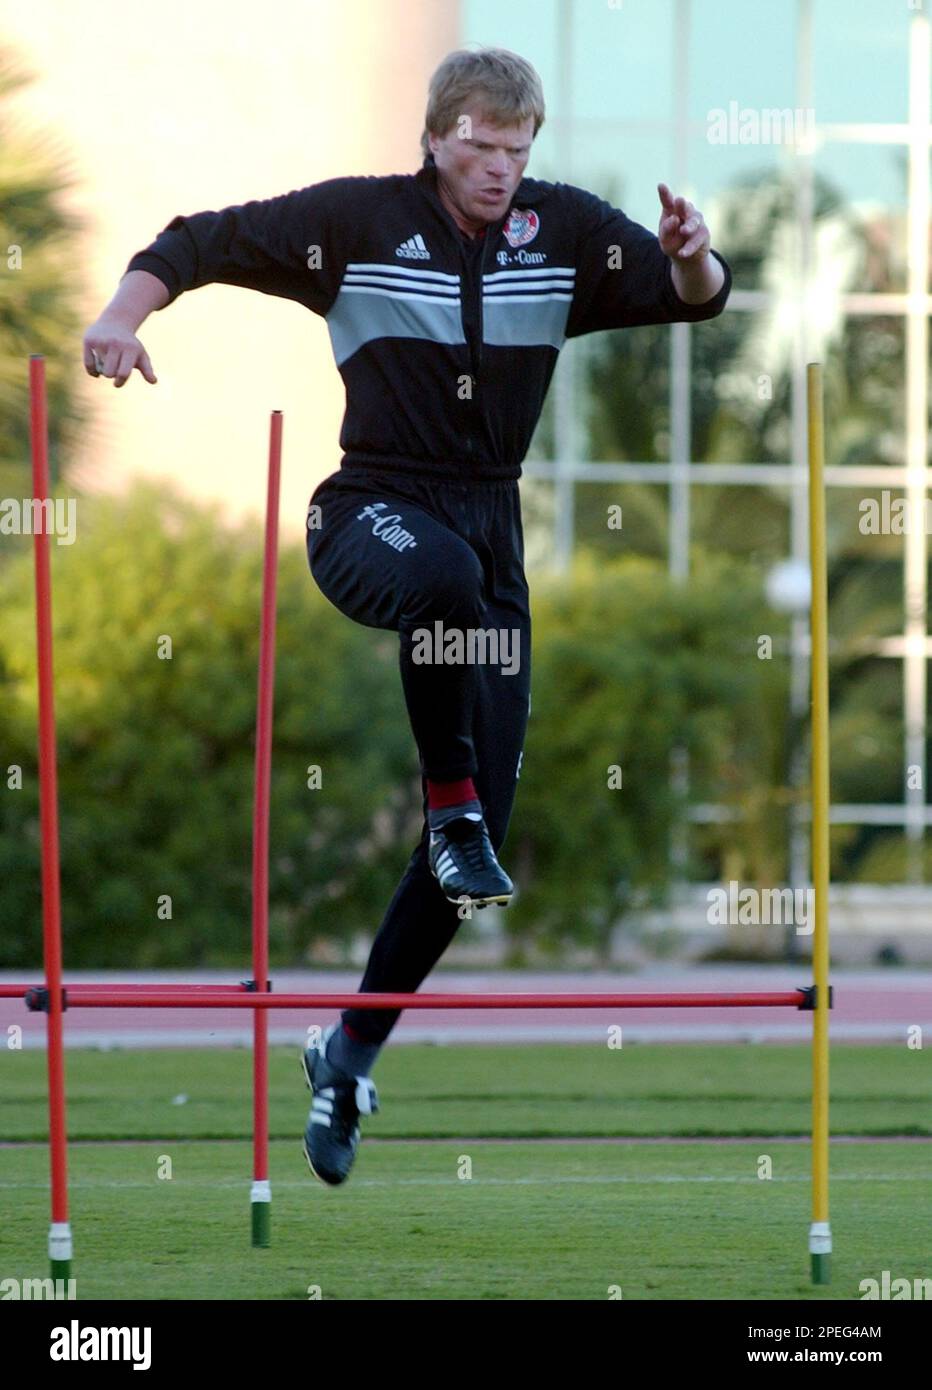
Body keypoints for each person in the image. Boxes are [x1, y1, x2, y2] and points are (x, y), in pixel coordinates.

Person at [82, 46, 732, 1187]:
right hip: (368, 512)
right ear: (435, 137)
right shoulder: (356, 222)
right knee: (441, 611)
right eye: (478, 148)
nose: (497, 170)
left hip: (491, 534)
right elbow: (193, 240)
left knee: (475, 842)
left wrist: (689, 257)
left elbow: (698, 299)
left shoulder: (562, 232)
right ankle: (445, 801)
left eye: (515, 152)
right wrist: (124, 315)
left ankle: (348, 1051)